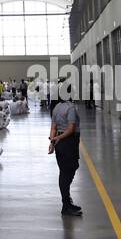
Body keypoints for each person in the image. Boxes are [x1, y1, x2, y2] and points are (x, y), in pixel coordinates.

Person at [49, 88, 83, 216]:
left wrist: (53, 141)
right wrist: (58, 138)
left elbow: (53, 127)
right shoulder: (71, 108)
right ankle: (66, 204)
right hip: (68, 142)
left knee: (64, 171)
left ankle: (67, 202)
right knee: (68, 171)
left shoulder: (56, 107)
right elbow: (71, 128)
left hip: (59, 143)